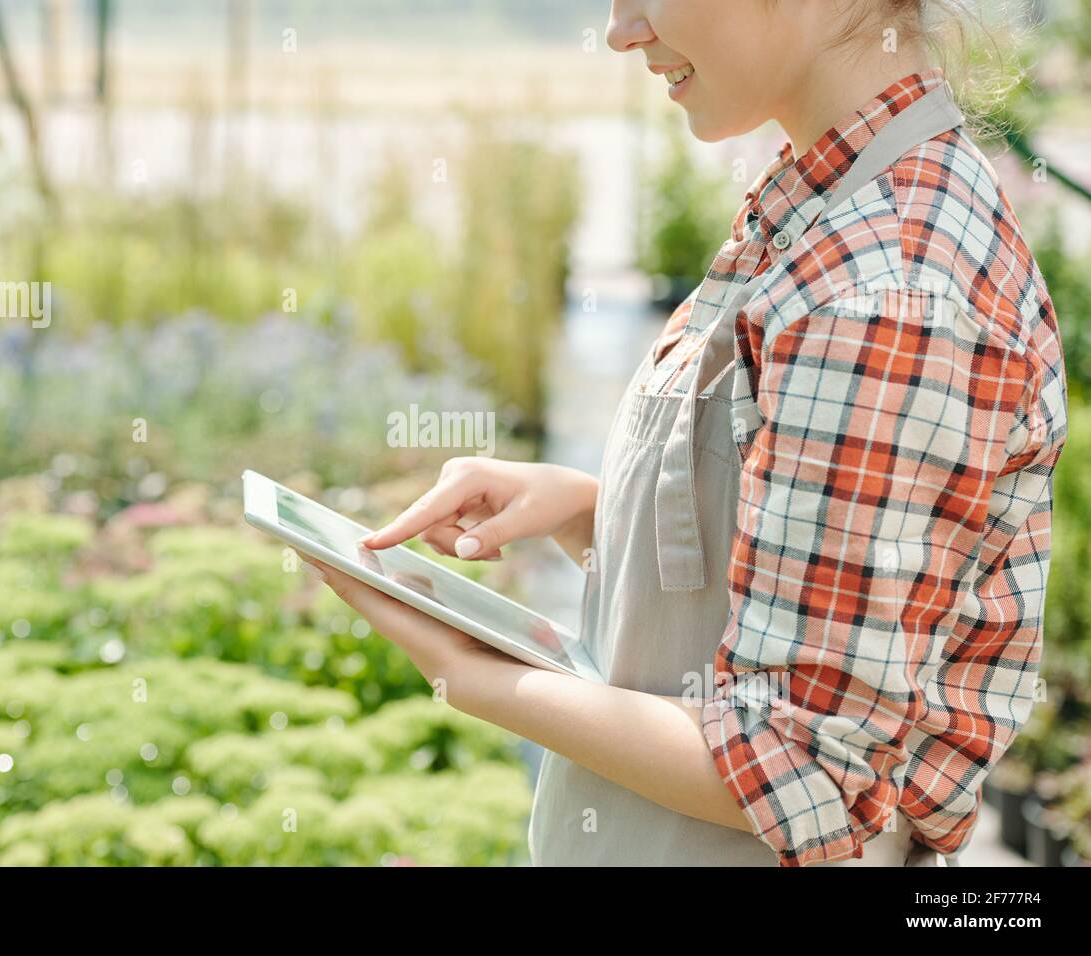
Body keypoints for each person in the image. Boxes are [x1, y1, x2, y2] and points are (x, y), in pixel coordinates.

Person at [300, 0, 1068, 866]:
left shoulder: (883, 291)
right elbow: (810, 589)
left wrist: (476, 673)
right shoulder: (838, 203)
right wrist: (591, 511)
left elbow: (802, 771)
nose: (622, 30)